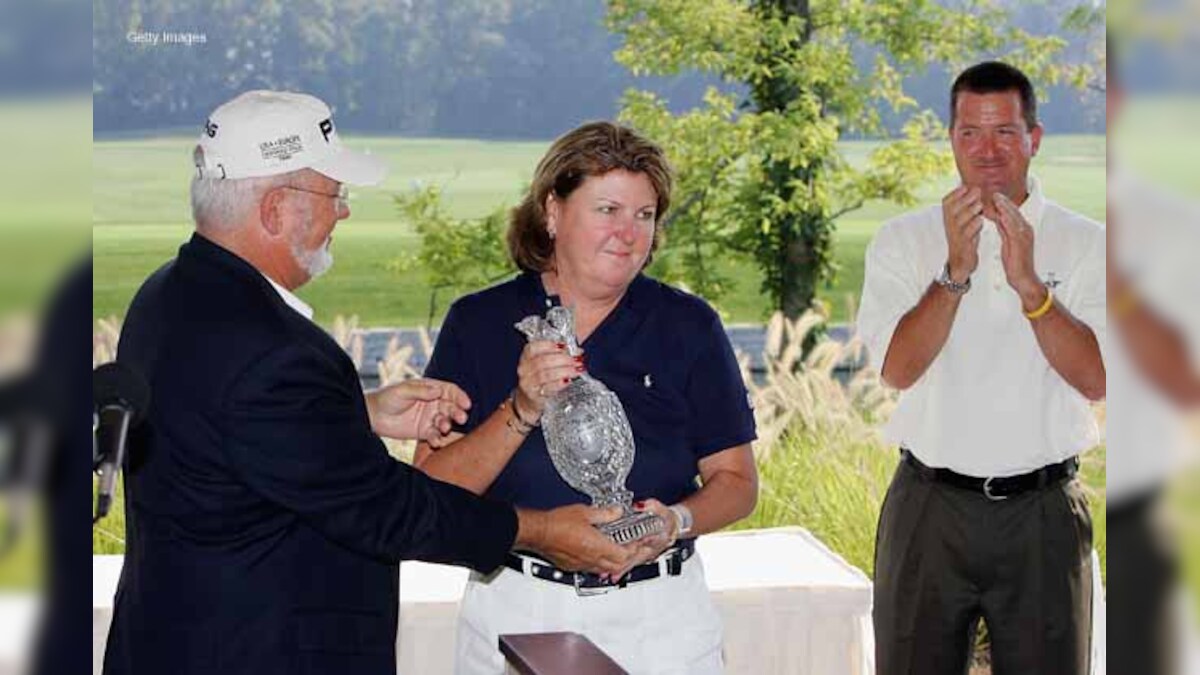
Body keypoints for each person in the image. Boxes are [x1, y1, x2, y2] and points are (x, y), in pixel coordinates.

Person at [102, 91, 636, 675]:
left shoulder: (168, 295)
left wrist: (360, 411)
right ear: (276, 209)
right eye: (336, 194)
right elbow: (386, 510)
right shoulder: (274, 353)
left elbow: (227, 430)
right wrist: (541, 530)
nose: (344, 213)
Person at [413, 121, 759, 675]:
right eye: (608, 210)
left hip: (661, 622)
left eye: (644, 215)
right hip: (517, 605)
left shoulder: (687, 325)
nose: (628, 233)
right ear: (552, 211)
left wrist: (674, 521)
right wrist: (522, 408)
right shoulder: (478, 323)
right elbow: (431, 495)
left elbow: (738, 484)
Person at [856, 61, 1105, 675]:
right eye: (970, 132)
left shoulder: (1090, 244)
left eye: (1004, 132)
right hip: (929, 506)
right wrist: (955, 272)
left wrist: (1031, 289)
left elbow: (1098, 380)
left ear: (1034, 139)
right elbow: (896, 370)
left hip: (1042, 511)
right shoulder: (902, 240)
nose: (986, 151)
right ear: (952, 139)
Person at [1106, 43, 1200, 675]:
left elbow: (1186, 385)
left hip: (1148, 513)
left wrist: (1120, 287)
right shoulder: (1037, 221)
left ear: (1121, 101)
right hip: (1052, 509)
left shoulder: (1175, 227)